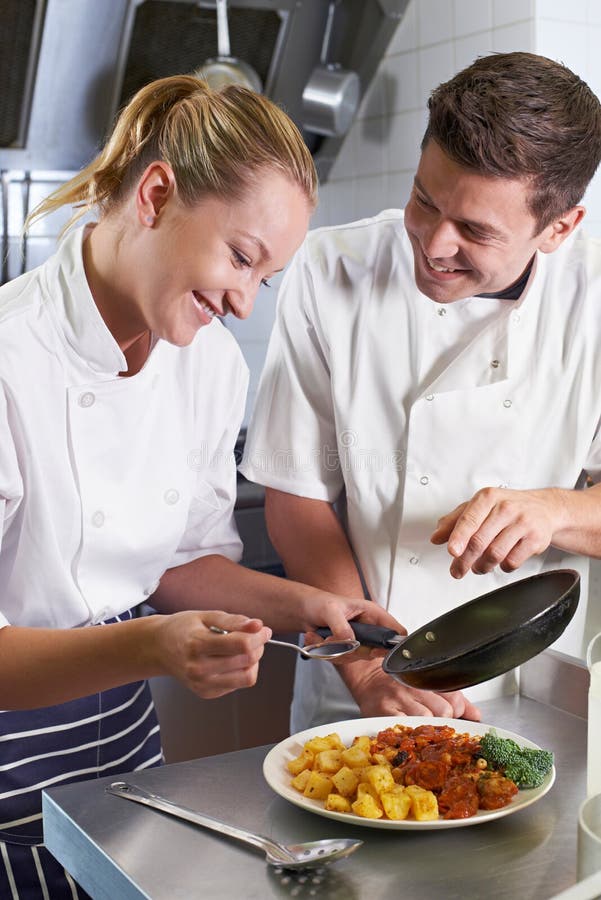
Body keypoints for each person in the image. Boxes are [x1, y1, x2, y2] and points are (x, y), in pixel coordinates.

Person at [0, 75, 404, 899]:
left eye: (267, 277)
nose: (245, 303)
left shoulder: (208, 363)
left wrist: (312, 607)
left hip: (123, 737)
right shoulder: (10, 358)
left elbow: (178, 558)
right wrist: (154, 645)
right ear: (154, 195)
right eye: (241, 258)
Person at [240, 51, 601, 734]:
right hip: (356, 682)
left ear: (558, 229)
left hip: (526, 697)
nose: (433, 245)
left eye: (475, 231)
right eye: (424, 200)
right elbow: (295, 496)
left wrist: (554, 511)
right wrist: (367, 669)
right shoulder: (333, 268)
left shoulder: (595, 302)